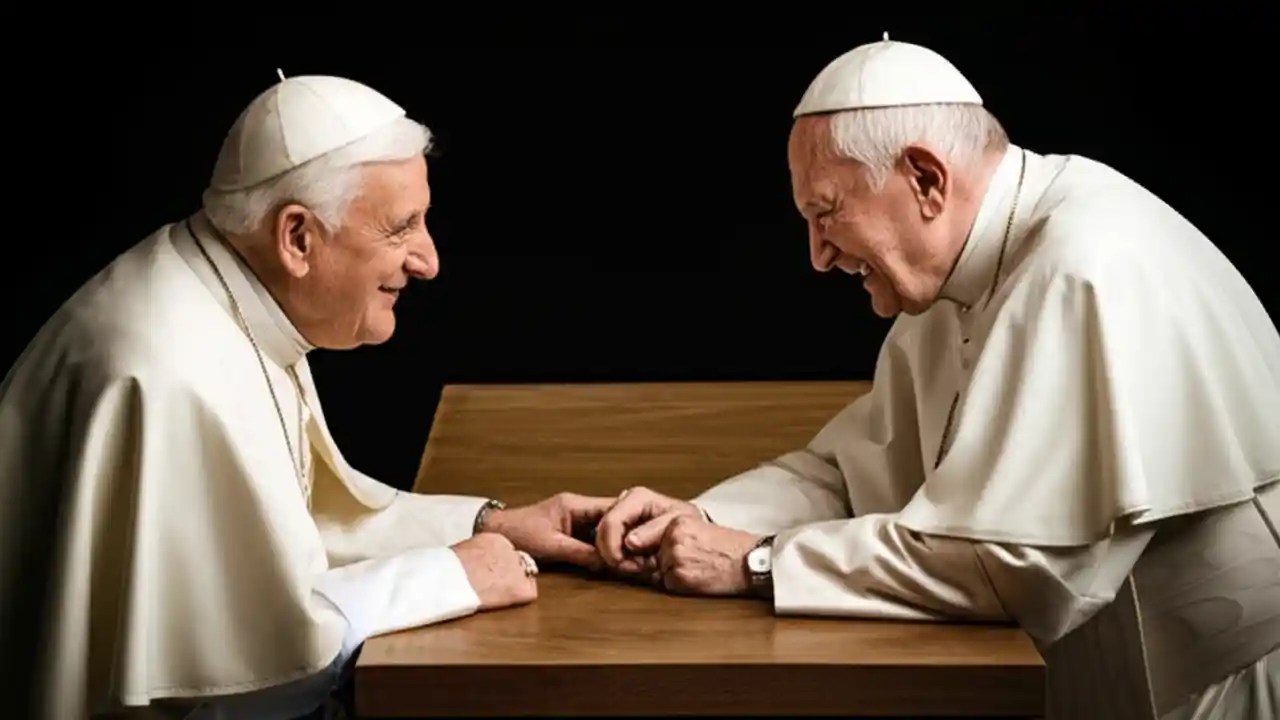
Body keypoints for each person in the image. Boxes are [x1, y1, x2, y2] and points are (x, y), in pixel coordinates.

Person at [593, 36, 1280, 720]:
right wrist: (701, 519)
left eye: (826, 212)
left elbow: (1020, 568)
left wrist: (758, 563)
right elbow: (847, 475)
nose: (818, 254)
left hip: (1218, 684)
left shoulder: (1083, 264)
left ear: (925, 178)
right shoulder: (951, 276)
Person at [0, 74, 613, 720]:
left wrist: (491, 524)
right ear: (297, 238)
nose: (428, 260)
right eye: (401, 228)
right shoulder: (165, 372)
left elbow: (286, 534)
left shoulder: (222, 291)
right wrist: (448, 576)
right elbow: (238, 680)